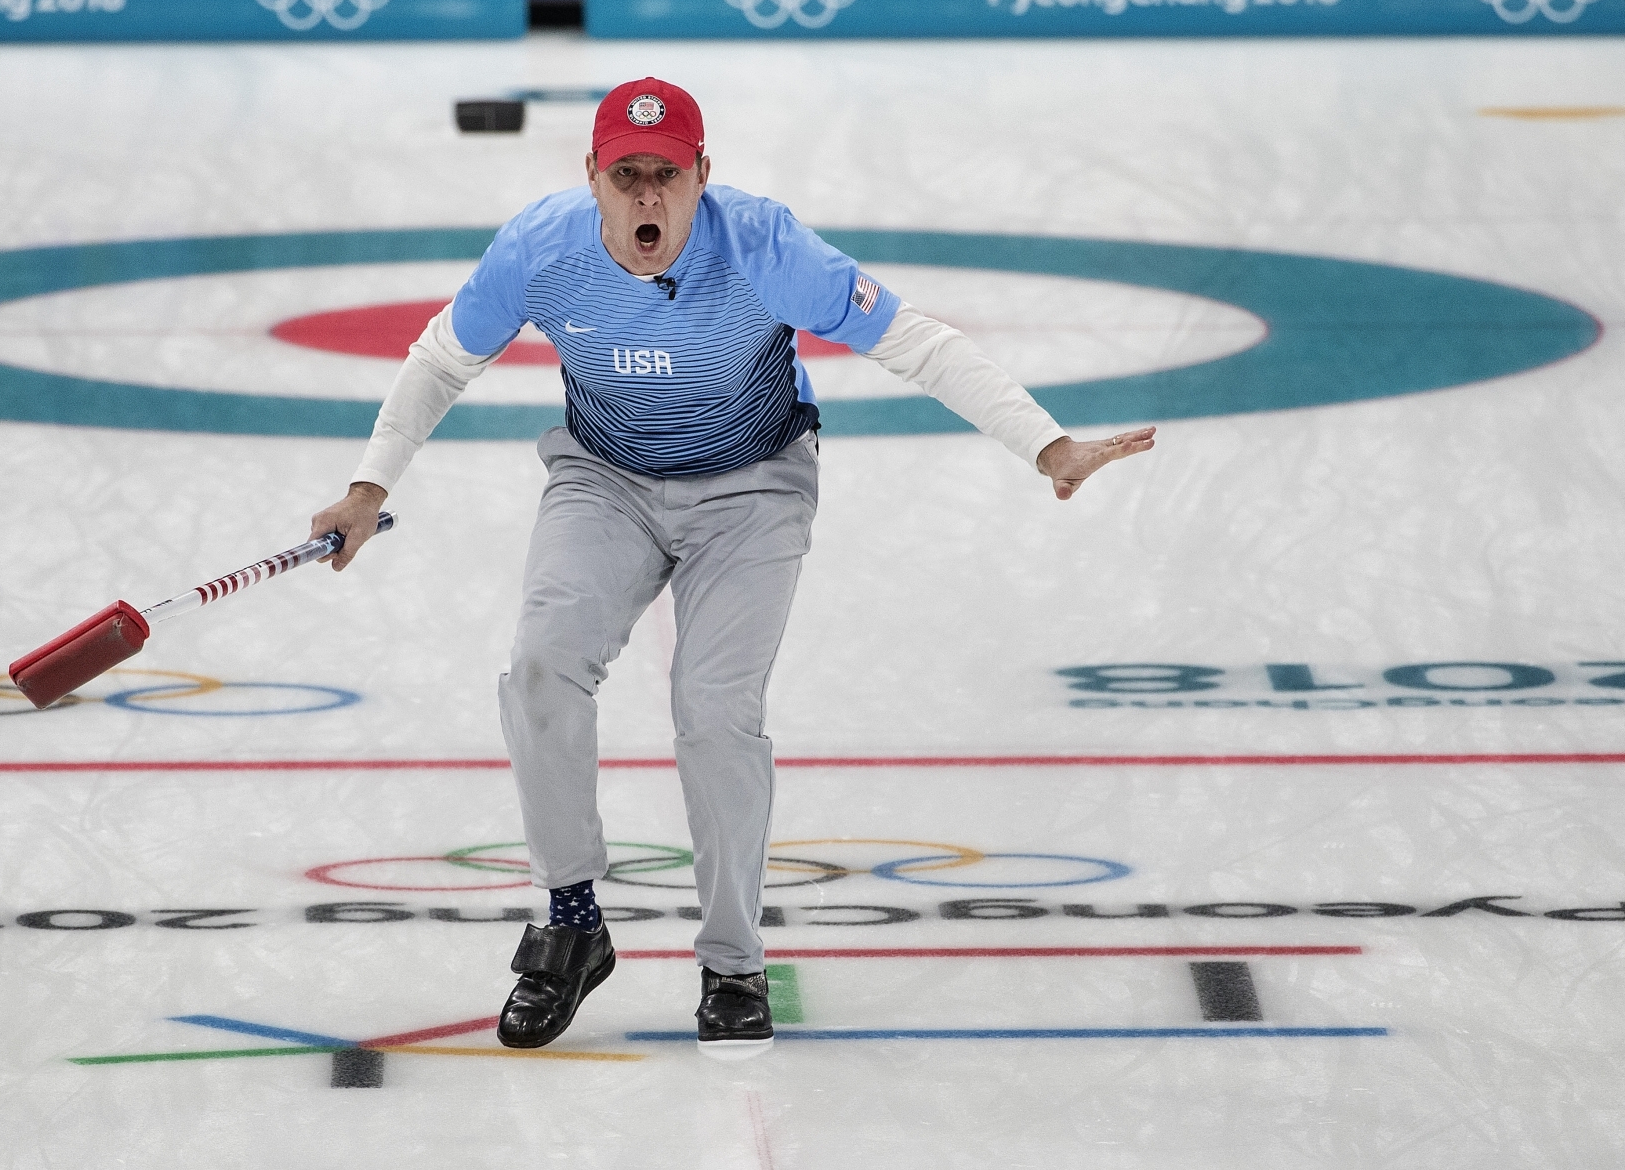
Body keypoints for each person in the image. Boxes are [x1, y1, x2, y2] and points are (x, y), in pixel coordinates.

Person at [310, 78, 1153, 1055]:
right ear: (591, 178)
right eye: (626, 177)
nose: (646, 200)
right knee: (539, 669)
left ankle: (733, 961)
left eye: (666, 176)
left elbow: (913, 341)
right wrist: (371, 484)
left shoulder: (764, 246)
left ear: (703, 176)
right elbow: (441, 361)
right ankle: (573, 922)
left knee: (715, 713)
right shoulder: (538, 250)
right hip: (604, 478)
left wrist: (1047, 447)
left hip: (752, 486)